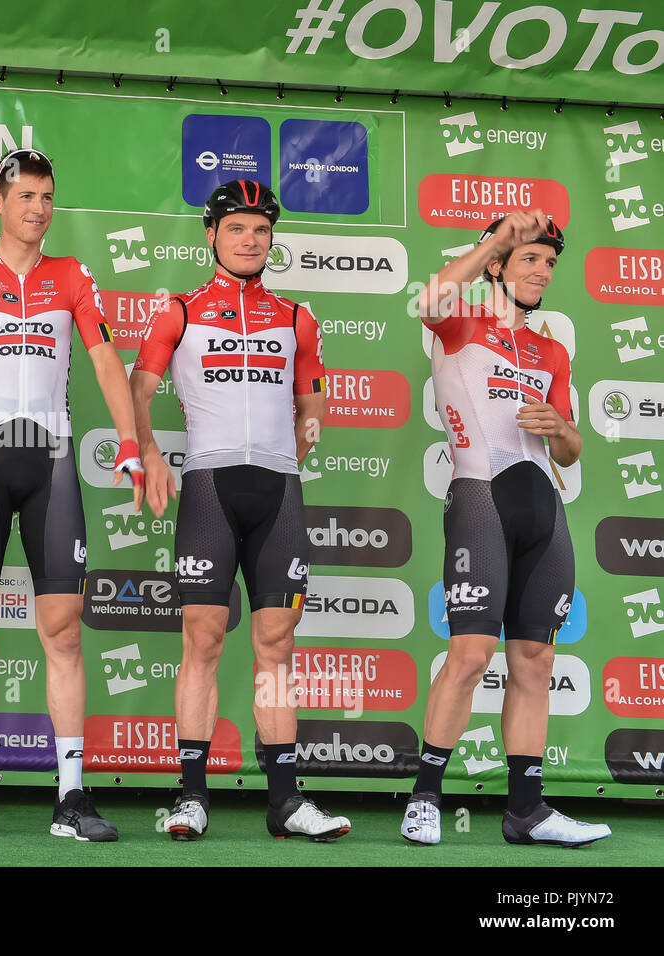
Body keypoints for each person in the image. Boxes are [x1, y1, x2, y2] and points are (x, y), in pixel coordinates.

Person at [0, 148, 143, 840]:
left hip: (52, 459)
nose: (38, 209)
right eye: (24, 197)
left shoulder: (73, 276)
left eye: (47, 197)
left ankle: (72, 798)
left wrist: (131, 444)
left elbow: (107, 361)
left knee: (63, 631)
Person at [131, 180, 350, 842]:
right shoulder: (179, 310)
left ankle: (285, 800)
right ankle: (191, 796)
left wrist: (297, 455)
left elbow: (313, 403)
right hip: (209, 488)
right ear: (211, 236)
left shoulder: (296, 317)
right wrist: (149, 453)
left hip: (279, 489)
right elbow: (139, 389)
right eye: (236, 229)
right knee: (201, 639)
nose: (249, 240)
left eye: (259, 229)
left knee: (276, 645)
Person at [402, 211, 611, 847]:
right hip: (478, 498)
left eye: (549, 262)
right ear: (496, 265)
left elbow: (572, 451)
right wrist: (493, 240)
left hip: (543, 508)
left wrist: (563, 428)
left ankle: (527, 811)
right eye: (529, 259)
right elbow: (428, 300)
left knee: (536, 658)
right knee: (469, 655)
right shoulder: (462, 323)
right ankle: (426, 798)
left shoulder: (551, 349)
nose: (542, 270)